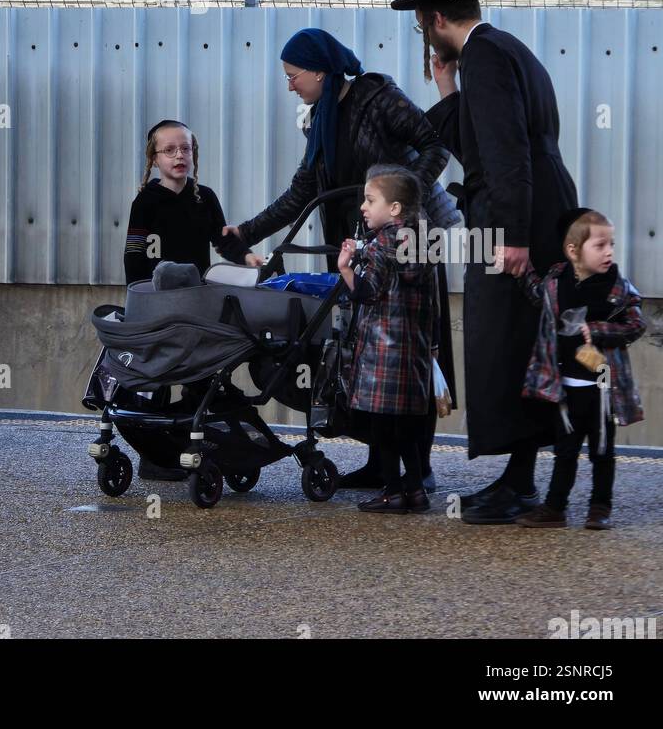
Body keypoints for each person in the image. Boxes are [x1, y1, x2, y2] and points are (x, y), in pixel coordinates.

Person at [222, 26, 460, 490]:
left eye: (293, 75)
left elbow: (436, 144)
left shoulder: (378, 97)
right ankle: (382, 463)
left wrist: (401, 197)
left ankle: (419, 468)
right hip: (358, 246)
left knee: (409, 348)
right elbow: (302, 192)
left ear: (318, 71)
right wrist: (245, 233)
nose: (289, 84)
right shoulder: (320, 121)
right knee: (368, 351)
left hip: (408, 242)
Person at [391, 0, 579, 525]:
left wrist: (513, 238)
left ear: (433, 17)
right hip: (531, 210)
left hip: (512, 220)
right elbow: (479, 143)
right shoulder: (500, 51)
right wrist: (448, 90)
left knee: (504, 346)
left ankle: (520, 485)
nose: (421, 32)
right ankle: (519, 480)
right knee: (521, 346)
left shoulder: (488, 58)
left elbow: (504, 154)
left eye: (420, 21)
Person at [514, 209, 645, 530]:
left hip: (602, 388)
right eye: (600, 245)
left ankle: (600, 508)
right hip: (565, 385)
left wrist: (598, 330)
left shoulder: (617, 287)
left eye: (611, 244)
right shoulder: (557, 282)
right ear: (574, 251)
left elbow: (636, 324)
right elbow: (536, 293)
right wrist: (518, 267)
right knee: (565, 451)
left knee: (602, 450)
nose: (609, 252)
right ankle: (555, 508)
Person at [336, 166, 438, 513]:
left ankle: (392, 492)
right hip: (412, 352)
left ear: (394, 208)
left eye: (370, 200)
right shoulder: (422, 241)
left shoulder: (383, 243)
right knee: (407, 429)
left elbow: (367, 293)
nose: (363, 207)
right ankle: (416, 490)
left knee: (382, 430)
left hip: (381, 354)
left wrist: (347, 269)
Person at [123, 119, 258, 285]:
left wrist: (246, 255)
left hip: (197, 293)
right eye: (169, 150)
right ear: (154, 159)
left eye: (185, 148)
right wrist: (137, 293)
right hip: (157, 295)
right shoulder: (144, 202)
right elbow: (134, 254)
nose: (179, 155)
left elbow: (223, 240)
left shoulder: (206, 197)